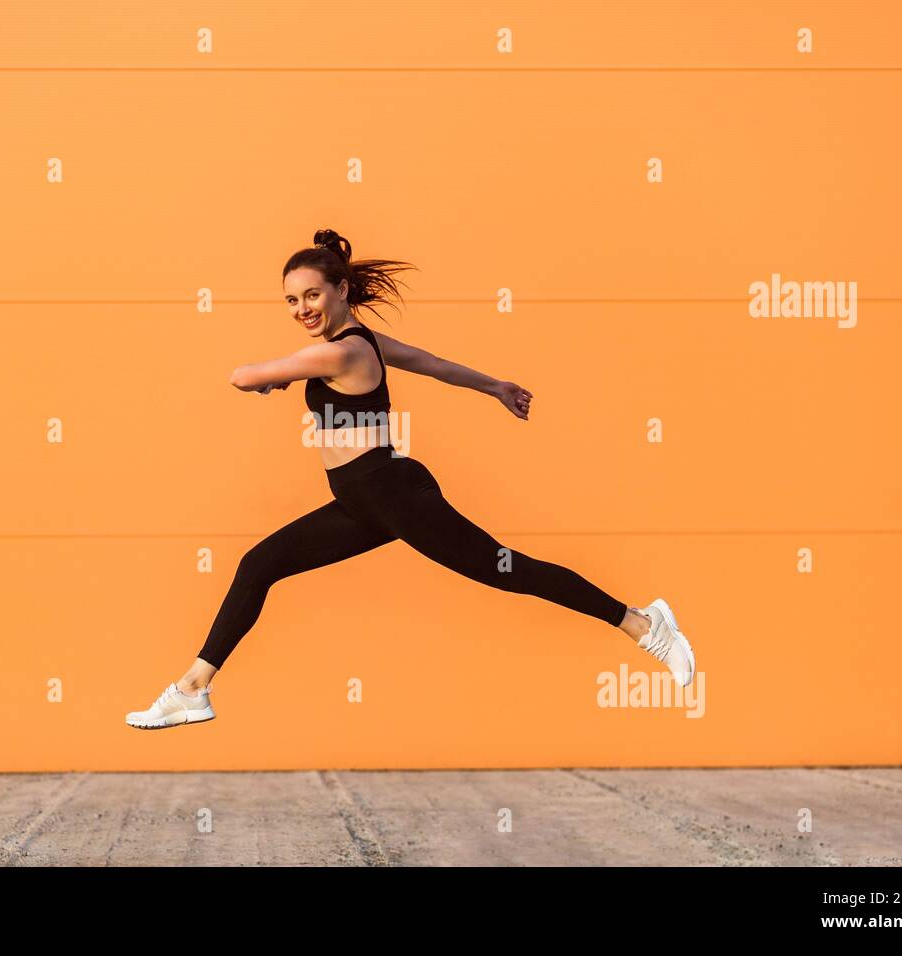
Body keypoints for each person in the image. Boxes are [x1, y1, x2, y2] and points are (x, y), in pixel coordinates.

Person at [126, 229, 694, 729]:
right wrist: (495, 386)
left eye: (312, 295)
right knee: (259, 564)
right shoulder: (361, 343)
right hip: (360, 501)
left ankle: (642, 623)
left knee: (506, 569)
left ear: (341, 291)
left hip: (391, 494)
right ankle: (193, 690)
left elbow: (239, 376)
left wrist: (272, 378)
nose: (302, 308)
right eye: (292, 300)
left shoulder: (338, 353)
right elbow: (434, 364)